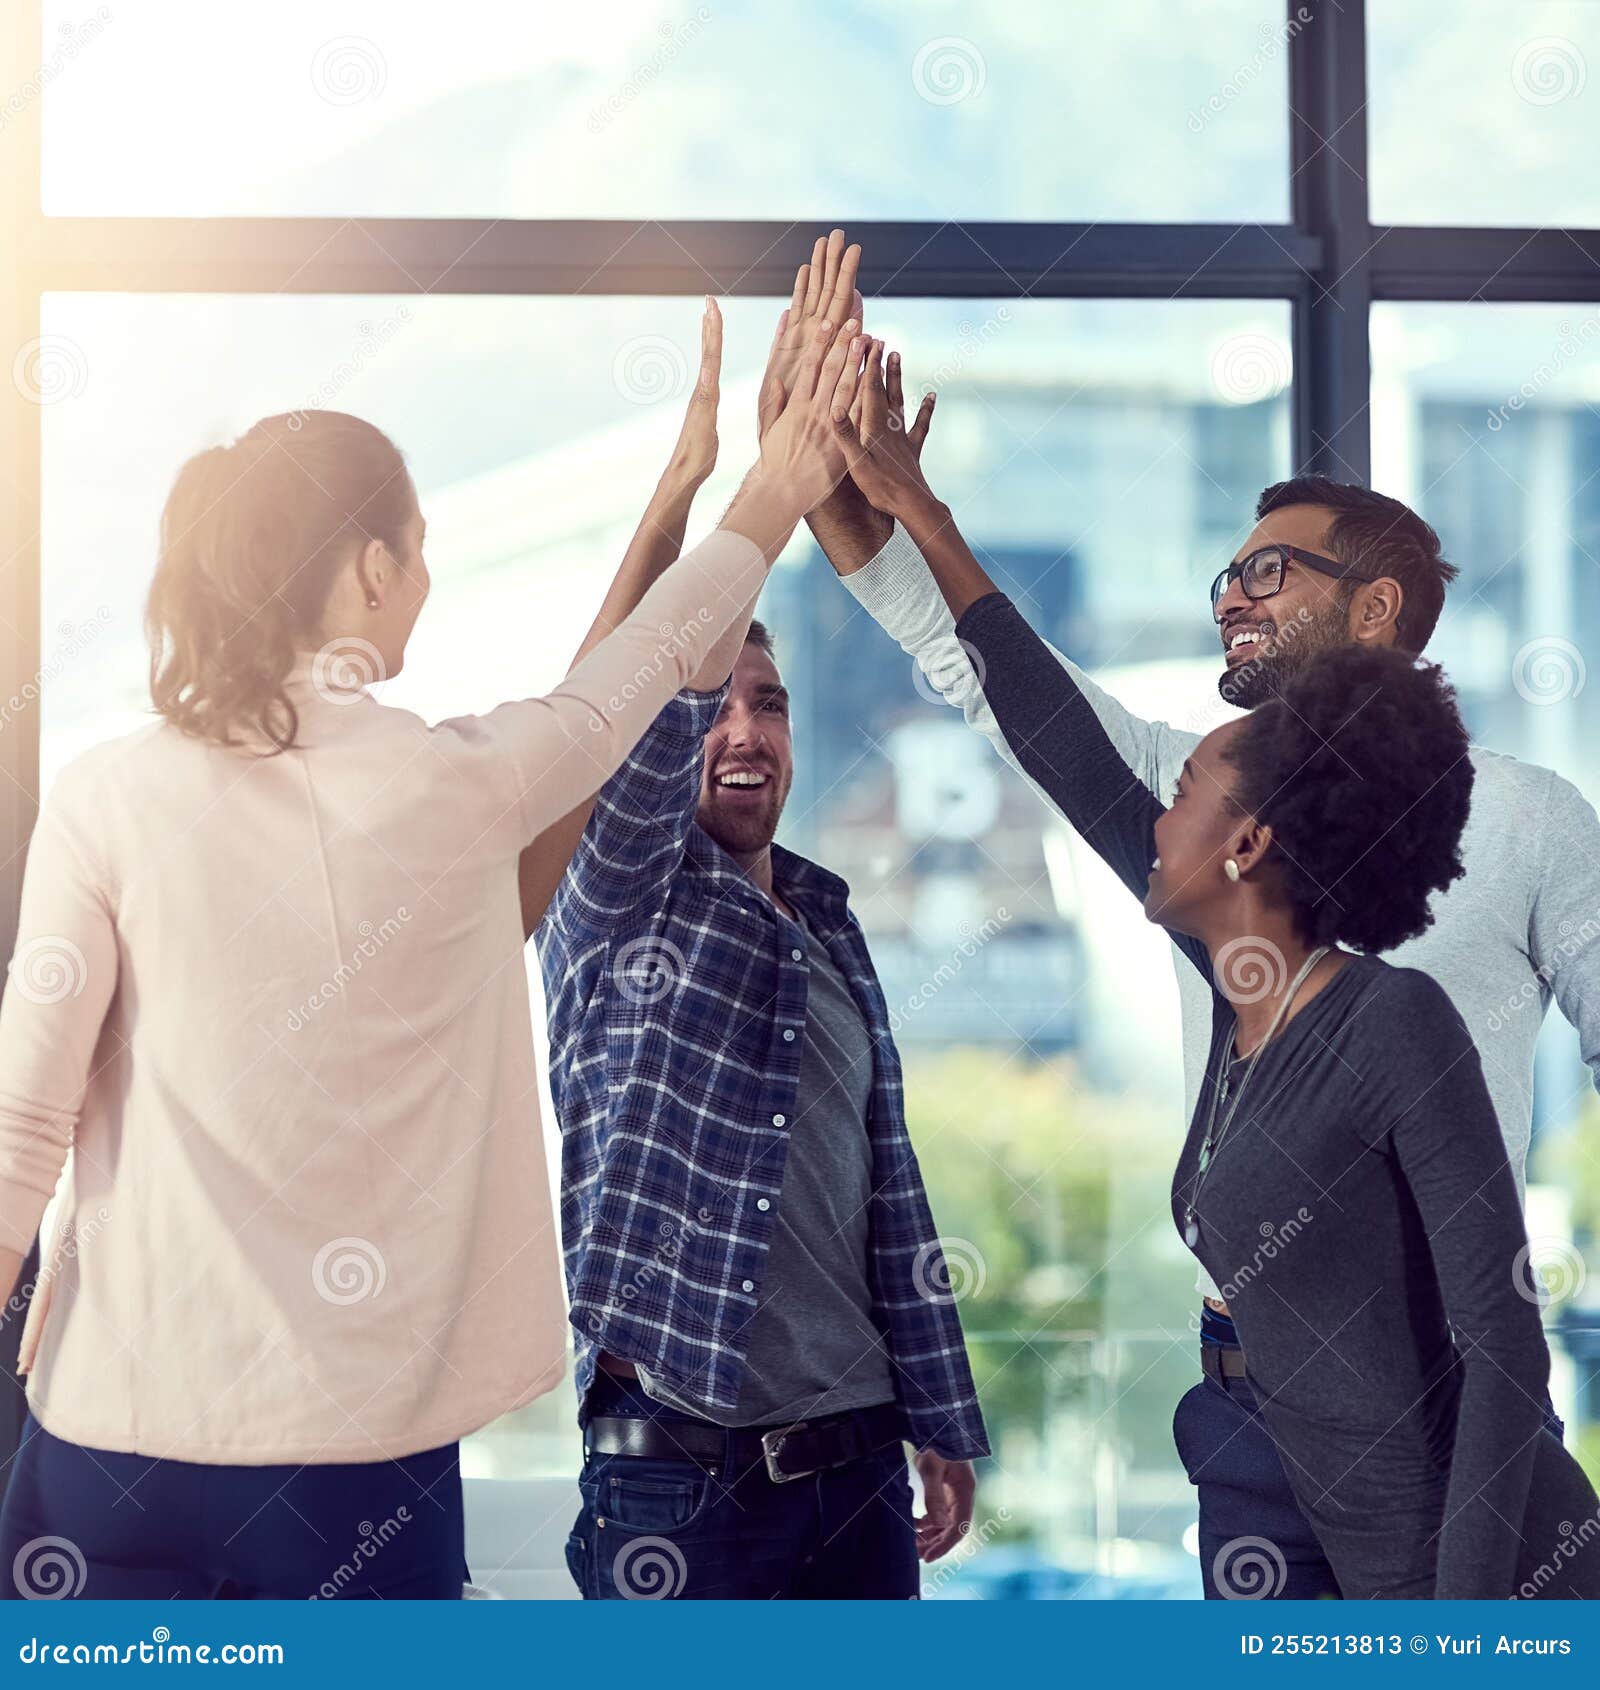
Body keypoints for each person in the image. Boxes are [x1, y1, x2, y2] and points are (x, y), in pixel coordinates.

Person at [0, 306, 857, 1600]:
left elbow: (22, 1130)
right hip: (354, 1476)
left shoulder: (106, 793)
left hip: (105, 1452)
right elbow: (650, 662)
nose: (429, 577)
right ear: (369, 571)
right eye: (419, 548)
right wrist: (773, 485)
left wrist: (700, 487)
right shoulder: (459, 788)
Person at [811, 312, 1600, 1597]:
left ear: (1376, 603)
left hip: (1431, 1409)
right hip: (1247, 1409)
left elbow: (1501, 1324)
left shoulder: (1523, 820)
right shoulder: (1204, 805)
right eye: (1223, 573)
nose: (1229, 592)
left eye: (1269, 571)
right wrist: (834, 499)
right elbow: (998, 688)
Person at [530, 253, 988, 1601]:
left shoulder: (833, 920)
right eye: (717, 704)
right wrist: (732, 488)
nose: (742, 729)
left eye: (771, 704)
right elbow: (608, 718)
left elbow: (883, 1189)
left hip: (853, 1470)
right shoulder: (614, 895)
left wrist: (936, 1410)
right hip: (677, 1476)